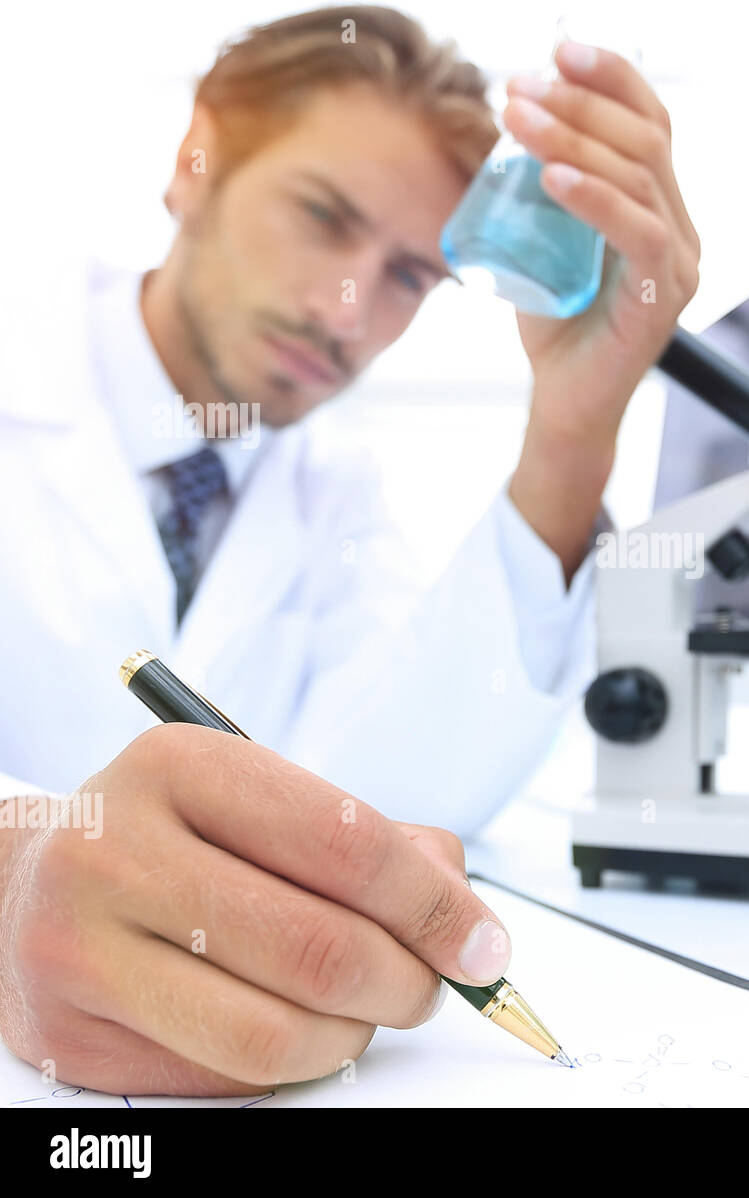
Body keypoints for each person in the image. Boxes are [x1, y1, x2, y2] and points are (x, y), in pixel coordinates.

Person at [0, 5, 699, 1095]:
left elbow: (383, 804)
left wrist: (573, 429)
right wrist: (10, 869)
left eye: (411, 276)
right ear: (196, 163)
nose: (348, 312)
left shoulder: (337, 495)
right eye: (323, 217)